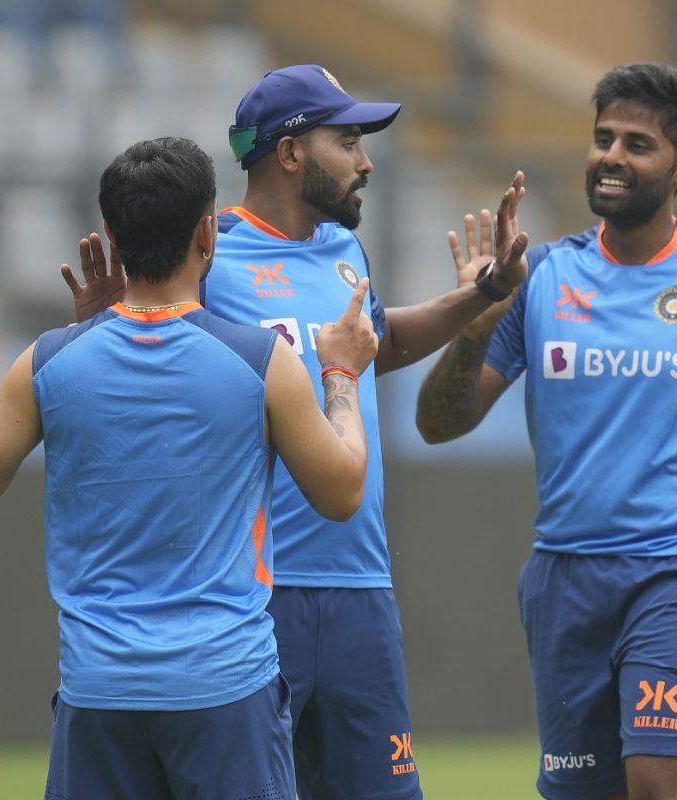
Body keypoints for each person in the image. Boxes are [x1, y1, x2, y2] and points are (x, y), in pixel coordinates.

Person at [62, 65, 529, 800]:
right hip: (250, 596)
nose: (366, 162)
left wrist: (484, 293)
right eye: (347, 142)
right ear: (289, 152)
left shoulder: (342, 251)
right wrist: (96, 325)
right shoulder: (206, 257)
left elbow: (377, 344)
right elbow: (141, 365)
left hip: (359, 587)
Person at [0, 137, 379, 799]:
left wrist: (79, 350)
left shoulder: (53, 362)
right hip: (226, 686)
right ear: (208, 234)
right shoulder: (262, 362)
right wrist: (341, 376)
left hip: (101, 693)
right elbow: (343, 490)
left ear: (112, 234)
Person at [416, 62, 677, 800]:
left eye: (637, 144)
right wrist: (480, 319)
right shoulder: (543, 276)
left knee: (665, 779)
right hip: (565, 577)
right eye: (603, 138)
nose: (612, 157)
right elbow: (440, 423)